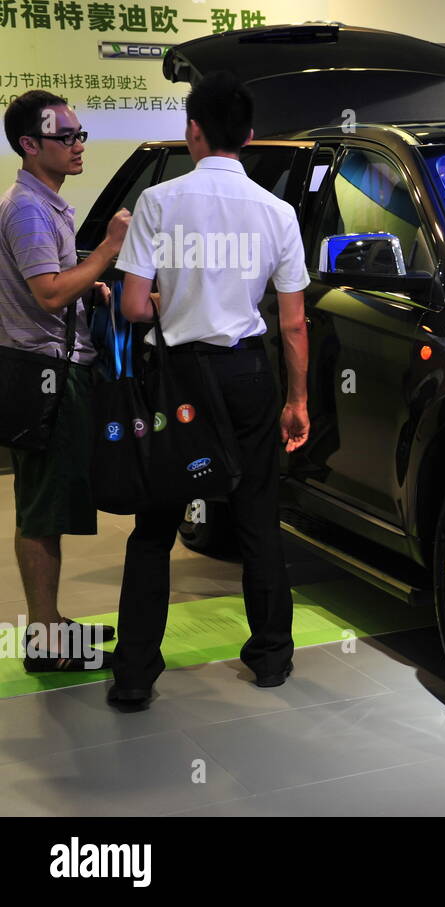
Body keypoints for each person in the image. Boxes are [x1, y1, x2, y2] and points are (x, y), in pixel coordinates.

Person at [108, 71, 311, 708]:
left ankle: (134, 674)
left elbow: (132, 306)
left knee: (154, 526)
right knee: (257, 517)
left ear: (192, 131)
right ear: (248, 136)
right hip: (248, 375)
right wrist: (297, 400)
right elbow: (293, 322)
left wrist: (172, 299)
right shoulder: (278, 212)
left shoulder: (158, 201)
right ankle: (271, 658)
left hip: (177, 380)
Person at [1, 90, 129, 672]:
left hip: (50, 367)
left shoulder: (45, 203)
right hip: (43, 375)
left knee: (47, 506)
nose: (78, 146)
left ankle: (50, 623)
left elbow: (57, 283)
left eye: (80, 135)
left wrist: (89, 282)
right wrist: (106, 252)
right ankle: (45, 640)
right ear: (30, 145)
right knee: (40, 509)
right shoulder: (28, 209)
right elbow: (48, 293)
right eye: (66, 137)